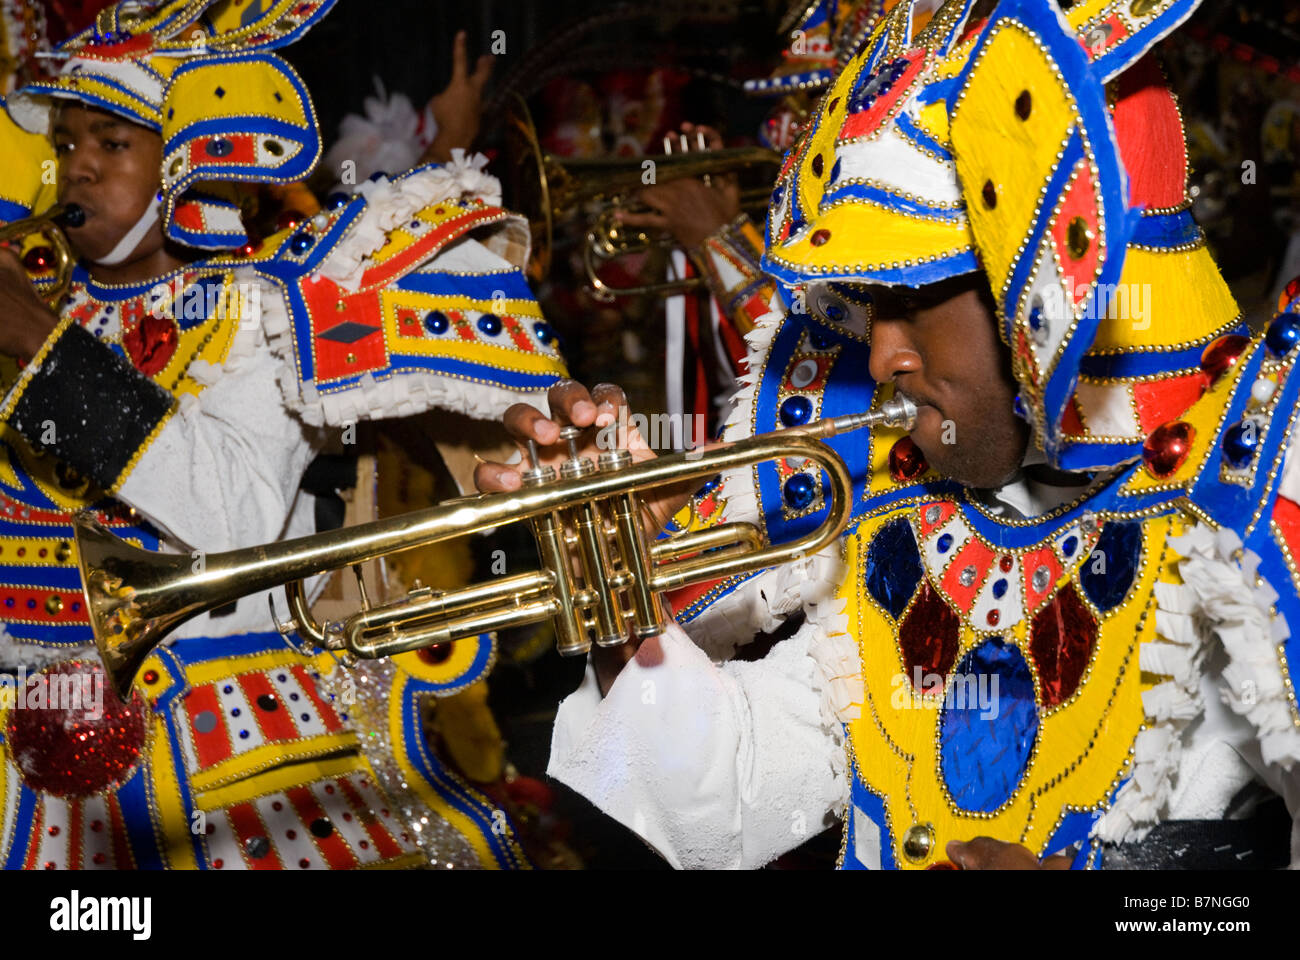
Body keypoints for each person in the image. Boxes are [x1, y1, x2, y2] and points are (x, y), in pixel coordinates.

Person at [475, 0, 1300, 869]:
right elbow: (724, 805)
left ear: (1045, 283)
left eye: (909, 297)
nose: (878, 357)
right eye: (871, 308)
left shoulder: (1255, 486)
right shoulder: (898, 509)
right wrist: (621, 578)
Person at [0, 0, 566, 870]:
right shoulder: (55, 310)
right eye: (69, 143)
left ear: (194, 154)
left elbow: (230, 516)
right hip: (32, 760)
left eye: (113, 144)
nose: (78, 169)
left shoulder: (264, 307)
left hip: (227, 743)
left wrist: (39, 345)